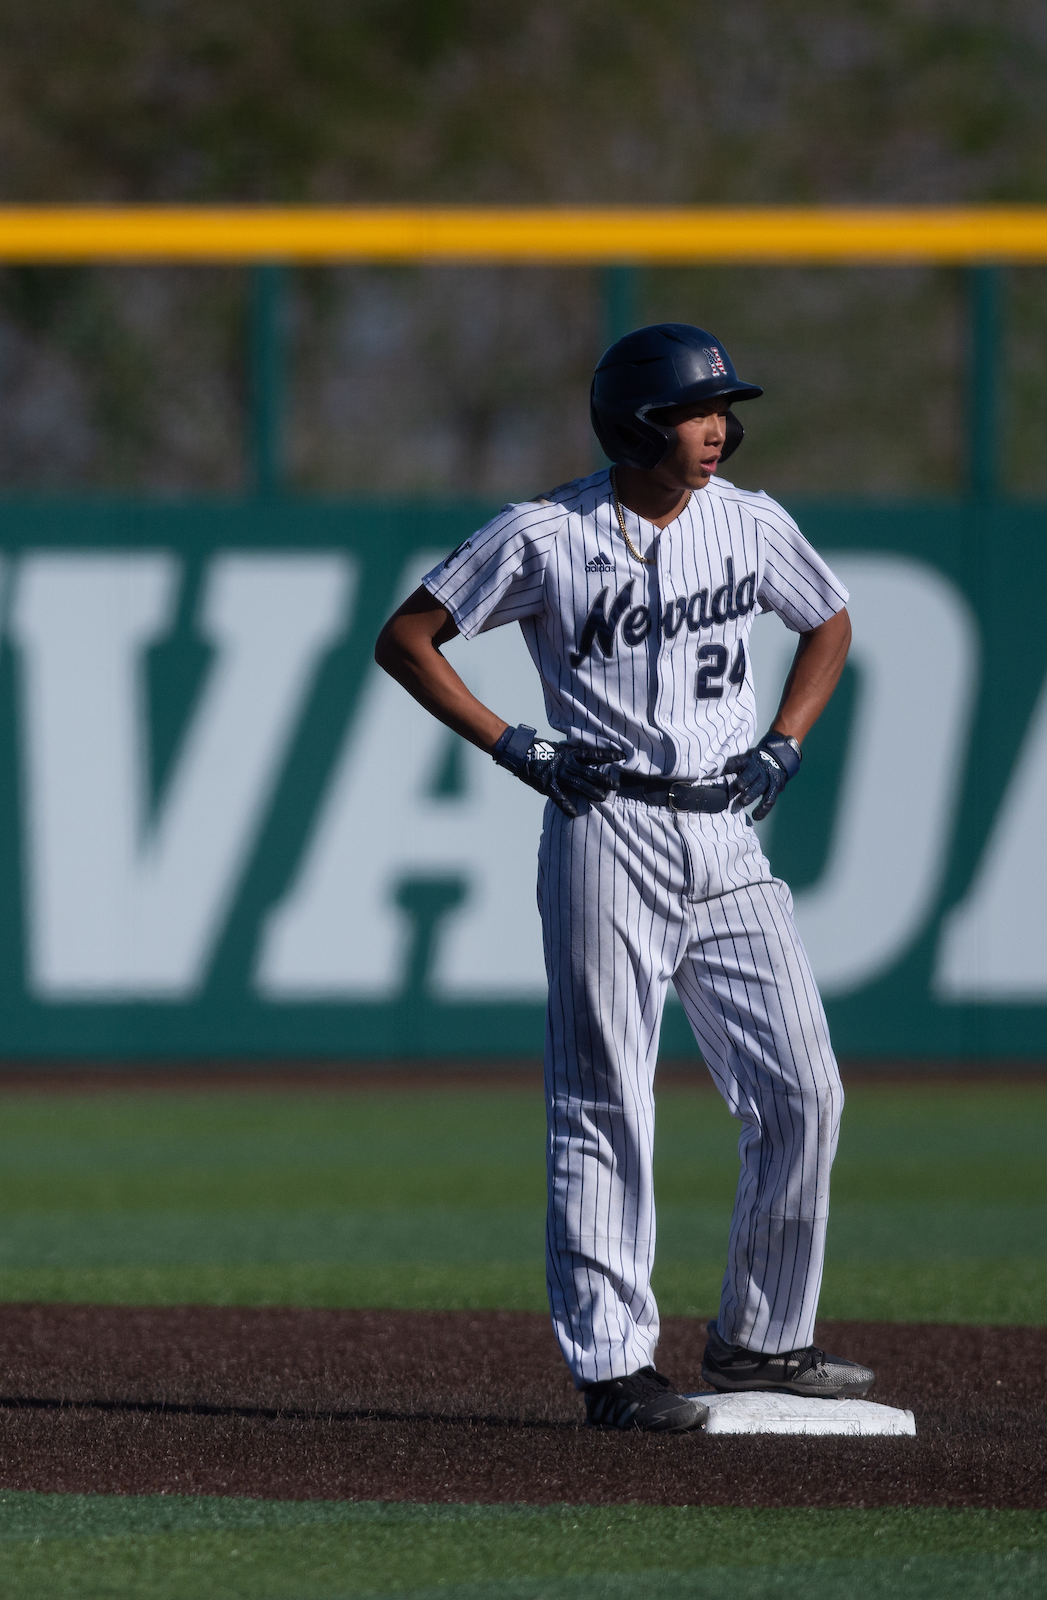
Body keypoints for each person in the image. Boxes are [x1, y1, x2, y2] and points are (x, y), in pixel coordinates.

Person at [372, 323, 872, 1433]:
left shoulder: (750, 523)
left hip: (728, 834)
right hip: (608, 827)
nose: (720, 429)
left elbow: (829, 619)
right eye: (699, 411)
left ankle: (762, 1339)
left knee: (804, 1089)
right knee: (608, 1097)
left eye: (724, 410)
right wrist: (514, 744)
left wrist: (786, 736)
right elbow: (408, 637)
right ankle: (613, 1366)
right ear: (640, 424)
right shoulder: (546, 533)